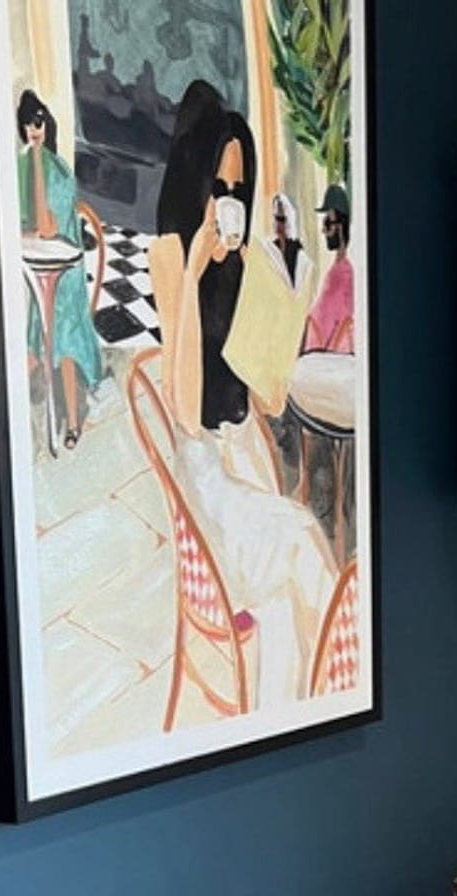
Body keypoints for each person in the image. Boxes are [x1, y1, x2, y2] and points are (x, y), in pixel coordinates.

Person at [149, 81, 336, 709]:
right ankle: (329, 697)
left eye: (237, 192)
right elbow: (184, 409)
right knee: (303, 538)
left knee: (289, 603)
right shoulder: (169, 254)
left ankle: (299, 711)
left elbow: (271, 399)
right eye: (218, 190)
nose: (227, 204)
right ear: (194, 185)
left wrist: (284, 306)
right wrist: (200, 265)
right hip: (207, 479)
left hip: (245, 459)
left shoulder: (243, 263)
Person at [16, 90, 103, 449]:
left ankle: (70, 422)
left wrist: (36, 155)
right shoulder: (22, 166)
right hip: (41, 264)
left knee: (62, 342)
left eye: (39, 121)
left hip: (65, 273)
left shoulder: (53, 168)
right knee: (32, 341)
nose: (33, 129)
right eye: (28, 123)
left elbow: (48, 226)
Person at [302, 185, 355, 355]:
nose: (324, 230)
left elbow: (344, 327)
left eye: (327, 222)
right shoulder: (336, 270)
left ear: (340, 226)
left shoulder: (345, 274)